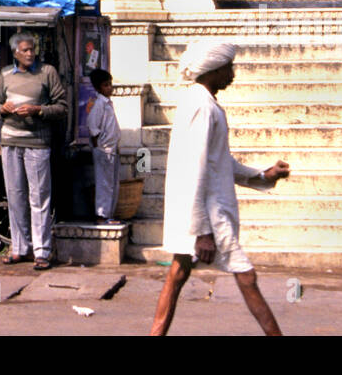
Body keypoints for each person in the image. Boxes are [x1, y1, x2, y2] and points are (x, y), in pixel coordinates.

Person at [150, 39, 290, 336]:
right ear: (214, 69)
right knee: (246, 277)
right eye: (229, 66)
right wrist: (202, 231)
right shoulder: (202, 106)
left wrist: (264, 176)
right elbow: (196, 168)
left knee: (177, 273)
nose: (232, 72)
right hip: (210, 214)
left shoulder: (202, 102)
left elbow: (219, 161)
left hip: (204, 210)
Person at [0, 30, 66, 270]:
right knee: (15, 195)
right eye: (25, 50)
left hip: (37, 143)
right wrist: (2, 109)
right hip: (11, 141)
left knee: (40, 197)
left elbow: (62, 107)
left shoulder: (47, 72)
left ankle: (41, 251)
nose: (30, 53)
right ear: (15, 53)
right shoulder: (5, 74)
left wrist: (37, 110)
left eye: (33, 49)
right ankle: (19, 248)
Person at [87, 68, 120, 223]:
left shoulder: (108, 103)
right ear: (99, 88)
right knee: (104, 184)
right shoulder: (99, 104)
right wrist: (99, 146)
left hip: (111, 149)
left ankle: (109, 215)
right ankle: (101, 215)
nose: (110, 88)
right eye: (106, 85)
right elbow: (93, 126)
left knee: (112, 184)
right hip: (104, 150)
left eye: (110, 84)